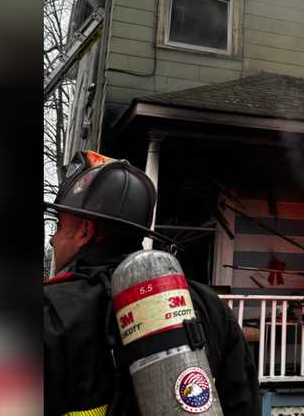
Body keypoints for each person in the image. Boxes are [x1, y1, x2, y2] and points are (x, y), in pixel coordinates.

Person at [44, 150, 259, 416]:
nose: (53, 240)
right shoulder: (211, 307)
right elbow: (244, 405)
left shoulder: (49, 311)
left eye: (60, 227)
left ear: (85, 231)